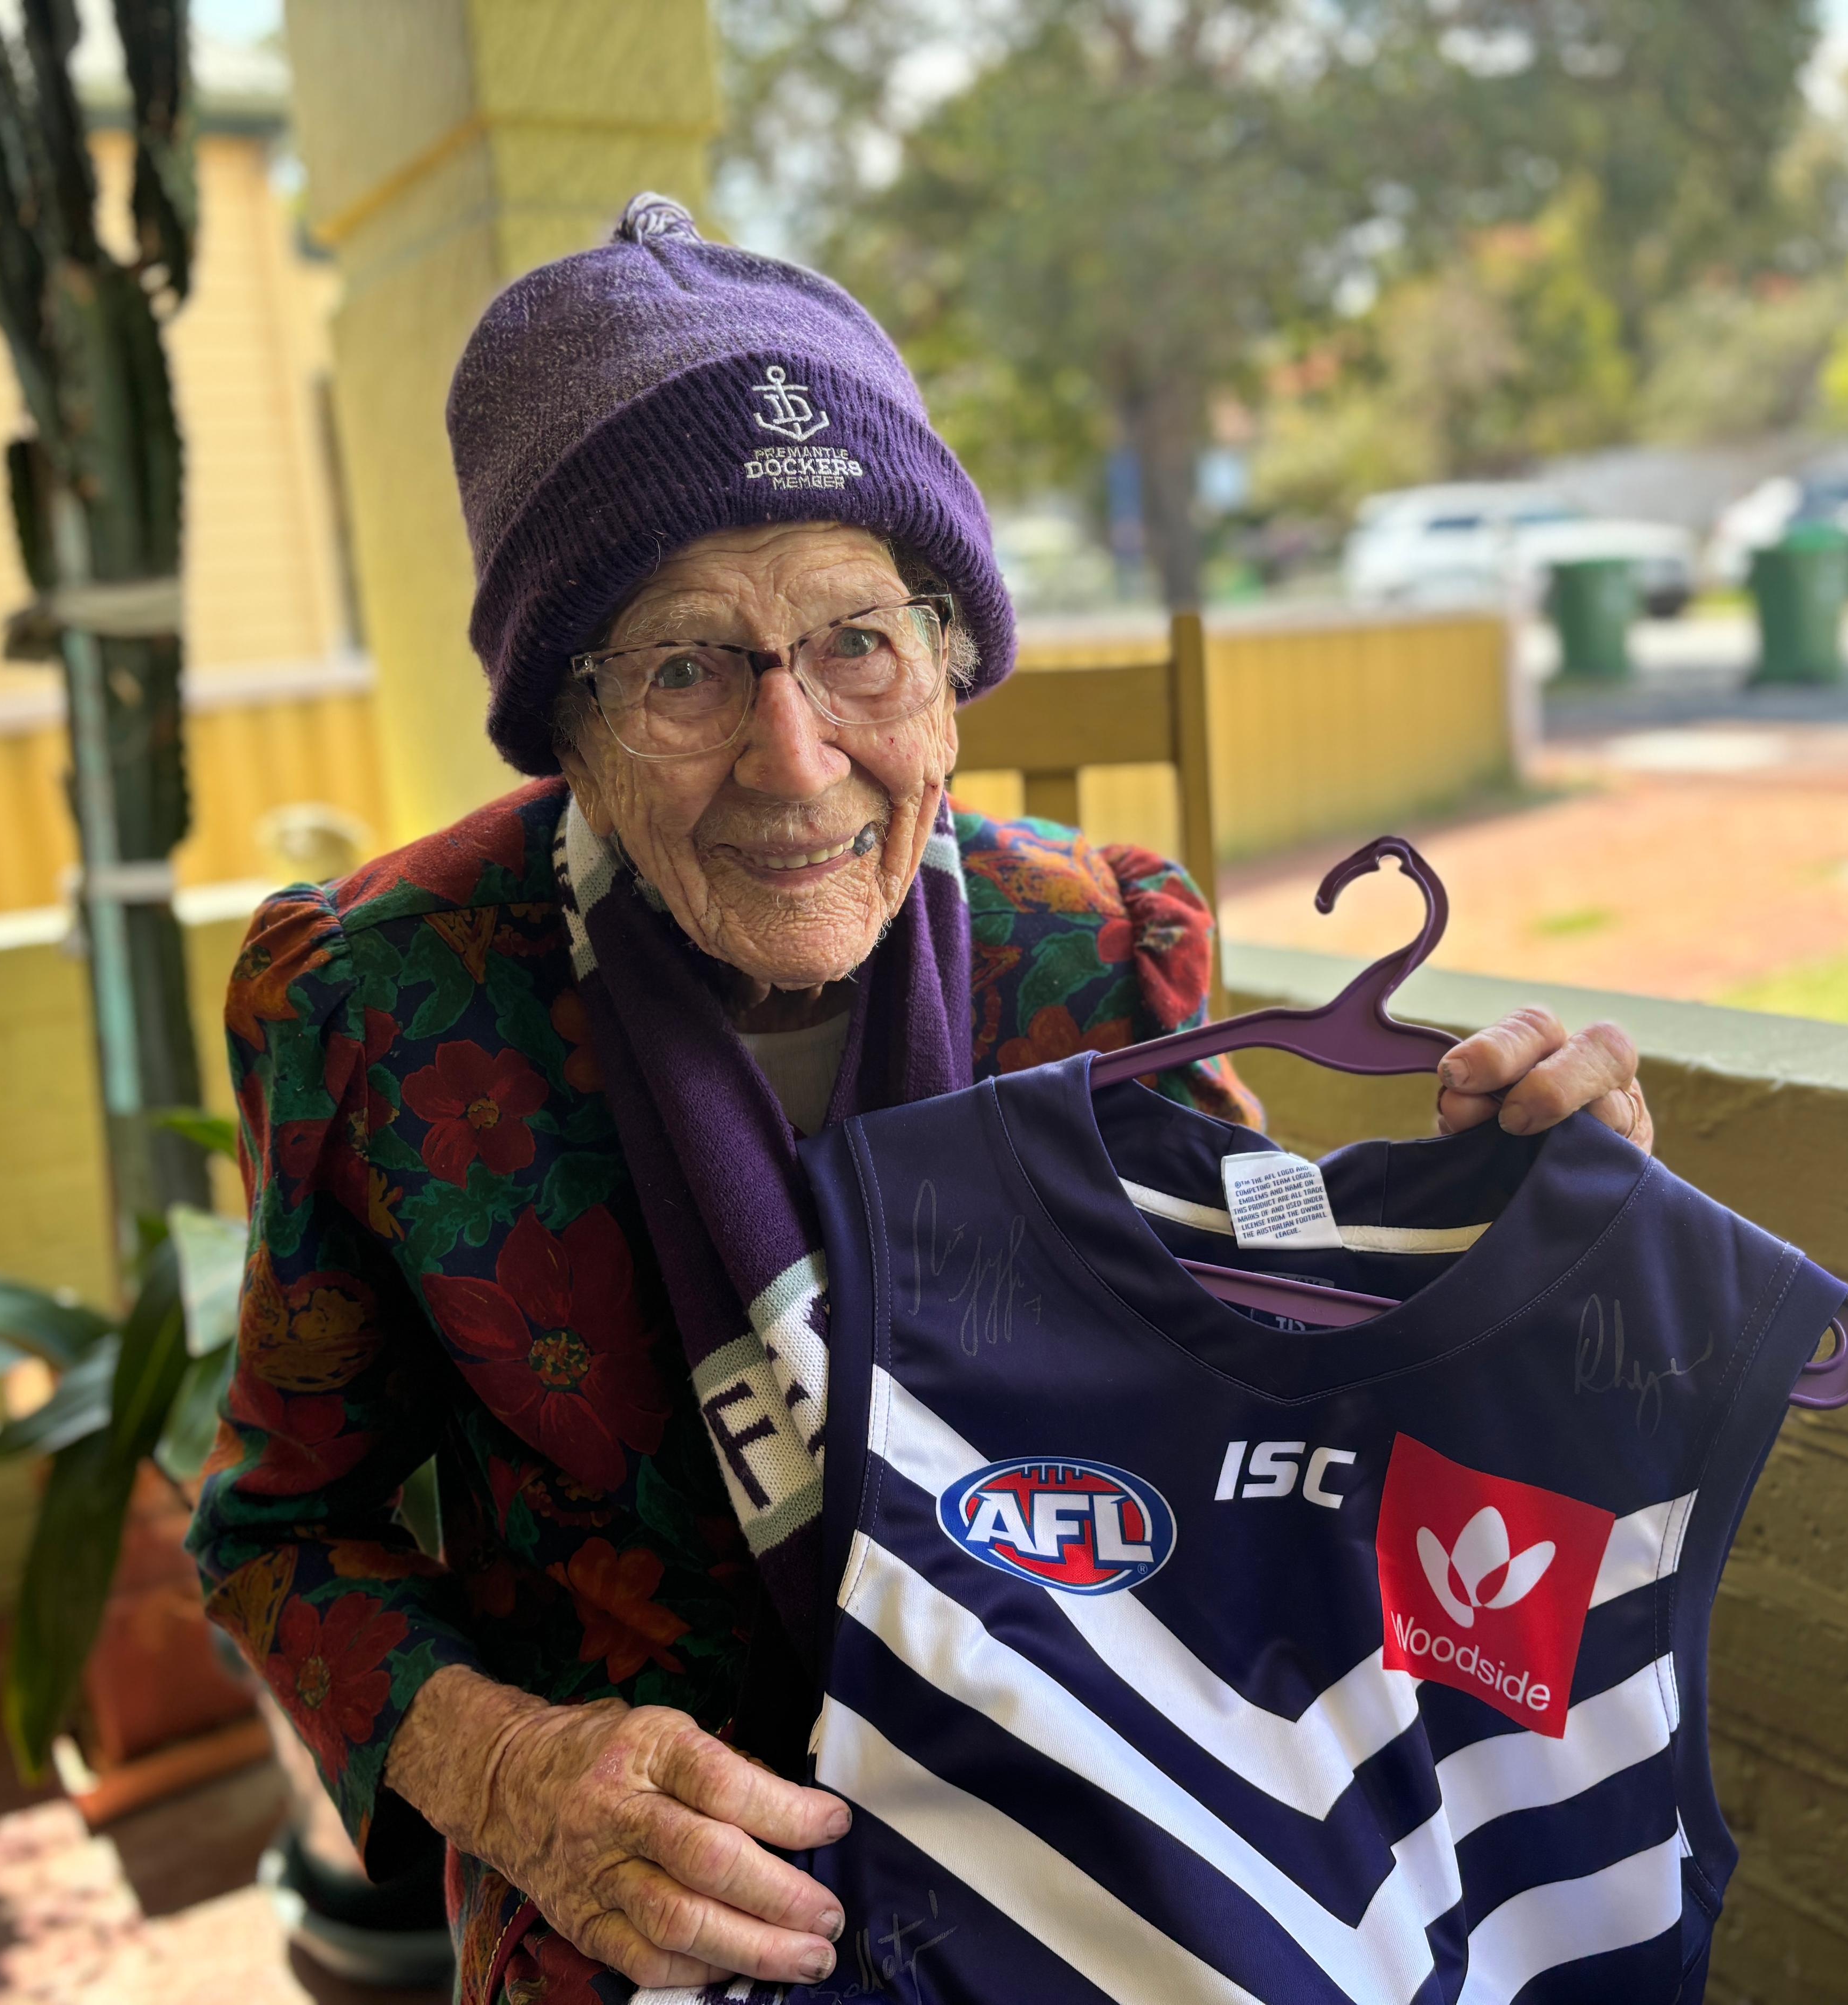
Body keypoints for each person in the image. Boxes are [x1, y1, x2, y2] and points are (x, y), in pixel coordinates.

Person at [188, 194, 1653, 2003]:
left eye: (860, 643)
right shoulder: (389, 1012)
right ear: (563, 720)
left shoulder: (1091, 952)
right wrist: (512, 1773)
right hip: (655, 1902)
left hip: (1115, 1850)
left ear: (953, 669)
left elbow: (1277, 1415)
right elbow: (278, 1533)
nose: (797, 761)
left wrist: (1510, 1245)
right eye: (682, 667)